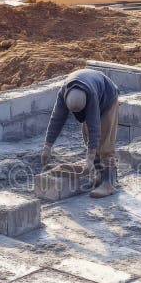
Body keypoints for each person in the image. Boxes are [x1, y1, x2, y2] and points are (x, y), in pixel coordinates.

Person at [41, 69, 119, 198]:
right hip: (93, 85)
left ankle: (108, 183)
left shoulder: (92, 95)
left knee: (105, 142)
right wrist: (47, 146)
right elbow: (56, 119)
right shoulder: (64, 92)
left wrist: (89, 158)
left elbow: (95, 127)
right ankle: (99, 174)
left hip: (108, 97)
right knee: (87, 136)